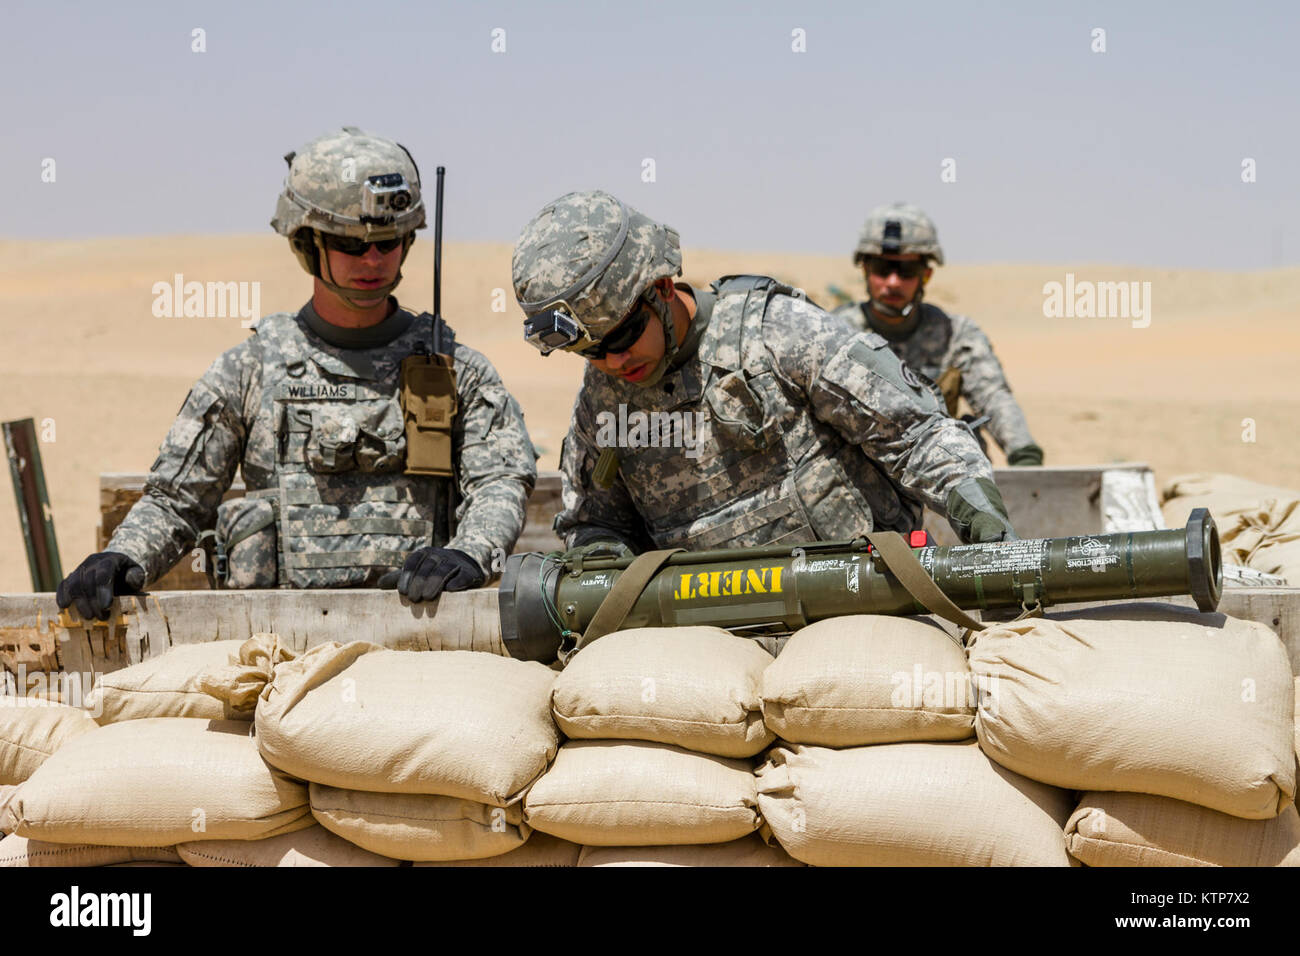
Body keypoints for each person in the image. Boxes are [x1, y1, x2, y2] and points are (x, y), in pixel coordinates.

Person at [57, 127, 536, 621]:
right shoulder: (249, 370)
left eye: (389, 242)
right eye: (351, 245)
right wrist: (123, 556)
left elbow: (499, 482)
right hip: (274, 646)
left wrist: (470, 552)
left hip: (419, 638)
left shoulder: (457, 369)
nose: (373, 260)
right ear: (308, 244)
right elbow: (178, 501)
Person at [511, 189, 1015, 559]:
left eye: (621, 337)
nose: (614, 363)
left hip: (859, 600)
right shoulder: (605, 400)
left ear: (661, 289)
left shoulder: (778, 332)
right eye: (591, 352)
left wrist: (977, 513)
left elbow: (915, 433)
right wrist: (601, 554)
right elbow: (595, 519)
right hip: (711, 633)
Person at [833, 202, 1043, 466]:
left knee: (969, 437)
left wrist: (1025, 456)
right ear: (865, 270)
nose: (893, 282)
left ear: (926, 276)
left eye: (907, 271)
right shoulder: (834, 334)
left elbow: (993, 397)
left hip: (938, 477)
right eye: (882, 269)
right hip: (858, 478)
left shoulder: (955, 335)